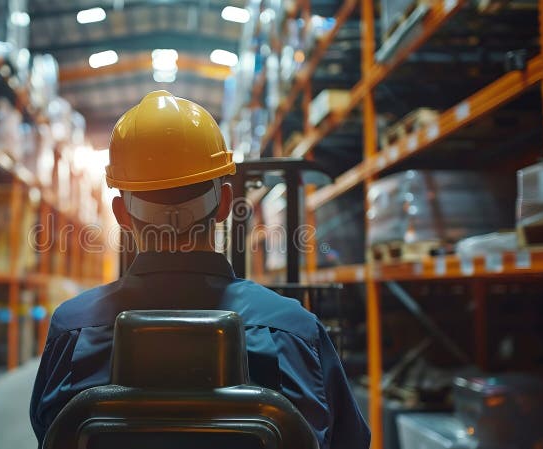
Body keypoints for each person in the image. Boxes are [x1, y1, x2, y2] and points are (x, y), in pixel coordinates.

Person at [29, 90, 370, 449]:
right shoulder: (295, 331)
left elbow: (51, 435)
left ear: (122, 215)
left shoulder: (72, 331)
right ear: (225, 204)